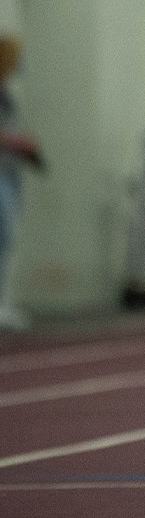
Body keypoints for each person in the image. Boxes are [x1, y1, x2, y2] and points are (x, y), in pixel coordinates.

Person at [0, 36, 41, 331]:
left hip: (10, 174)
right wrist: (17, 141)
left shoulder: (7, 97)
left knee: (6, 241)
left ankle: (2, 302)